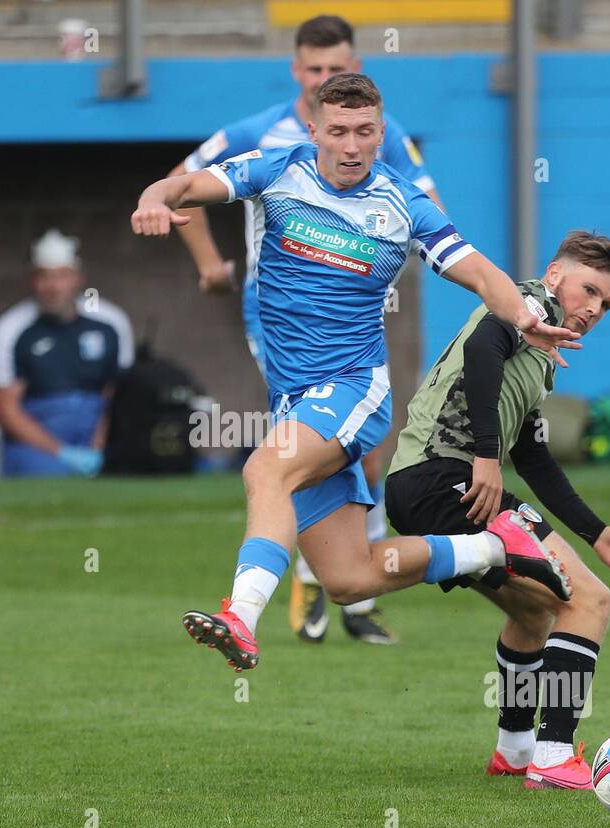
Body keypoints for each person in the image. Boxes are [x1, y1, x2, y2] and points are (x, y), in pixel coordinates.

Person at [131, 73, 579, 674]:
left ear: (380, 134)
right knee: (349, 577)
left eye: (364, 132)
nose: (350, 145)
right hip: (293, 399)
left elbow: (478, 272)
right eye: (337, 131)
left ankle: (240, 615)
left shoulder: (403, 204)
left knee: (266, 467)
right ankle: (492, 547)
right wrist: (156, 199)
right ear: (314, 130)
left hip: (352, 389)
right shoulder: (275, 169)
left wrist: (525, 318)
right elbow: (187, 181)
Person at [171, 13, 442, 646]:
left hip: (356, 321)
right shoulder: (260, 136)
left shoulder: (382, 133)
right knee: (300, 450)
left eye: (338, 68)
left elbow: (432, 212)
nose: (327, 77)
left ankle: (338, 582)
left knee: (345, 450)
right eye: (317, 70)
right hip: (277, 322)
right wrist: (212, 266)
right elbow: (182, 185)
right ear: (298, 72)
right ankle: (311, 579)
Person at [385, 230, 610, 790]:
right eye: (589, 291)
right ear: (555, 274)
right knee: (589, 601)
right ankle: (556, 757)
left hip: (420, 484)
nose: (593, 309)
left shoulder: (542, 350)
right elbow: (485, 346)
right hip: (447, 480)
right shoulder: (527, 303)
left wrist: (595, 530)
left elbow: (532, 456)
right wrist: (485, 457)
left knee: (534, 614)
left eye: (606, 304)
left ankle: (515, 752)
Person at [0, 229, 133, 478]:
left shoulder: (110, 322)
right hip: (39, 435)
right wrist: (62, 452)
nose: (54, 287)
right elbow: (4, 407)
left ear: (78, 278)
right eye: (45, 277)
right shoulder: (10, 328)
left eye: (62, 276)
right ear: (33, 280)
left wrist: (99, 442)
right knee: (43, 472)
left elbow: (120, 392)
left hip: (98, 425)